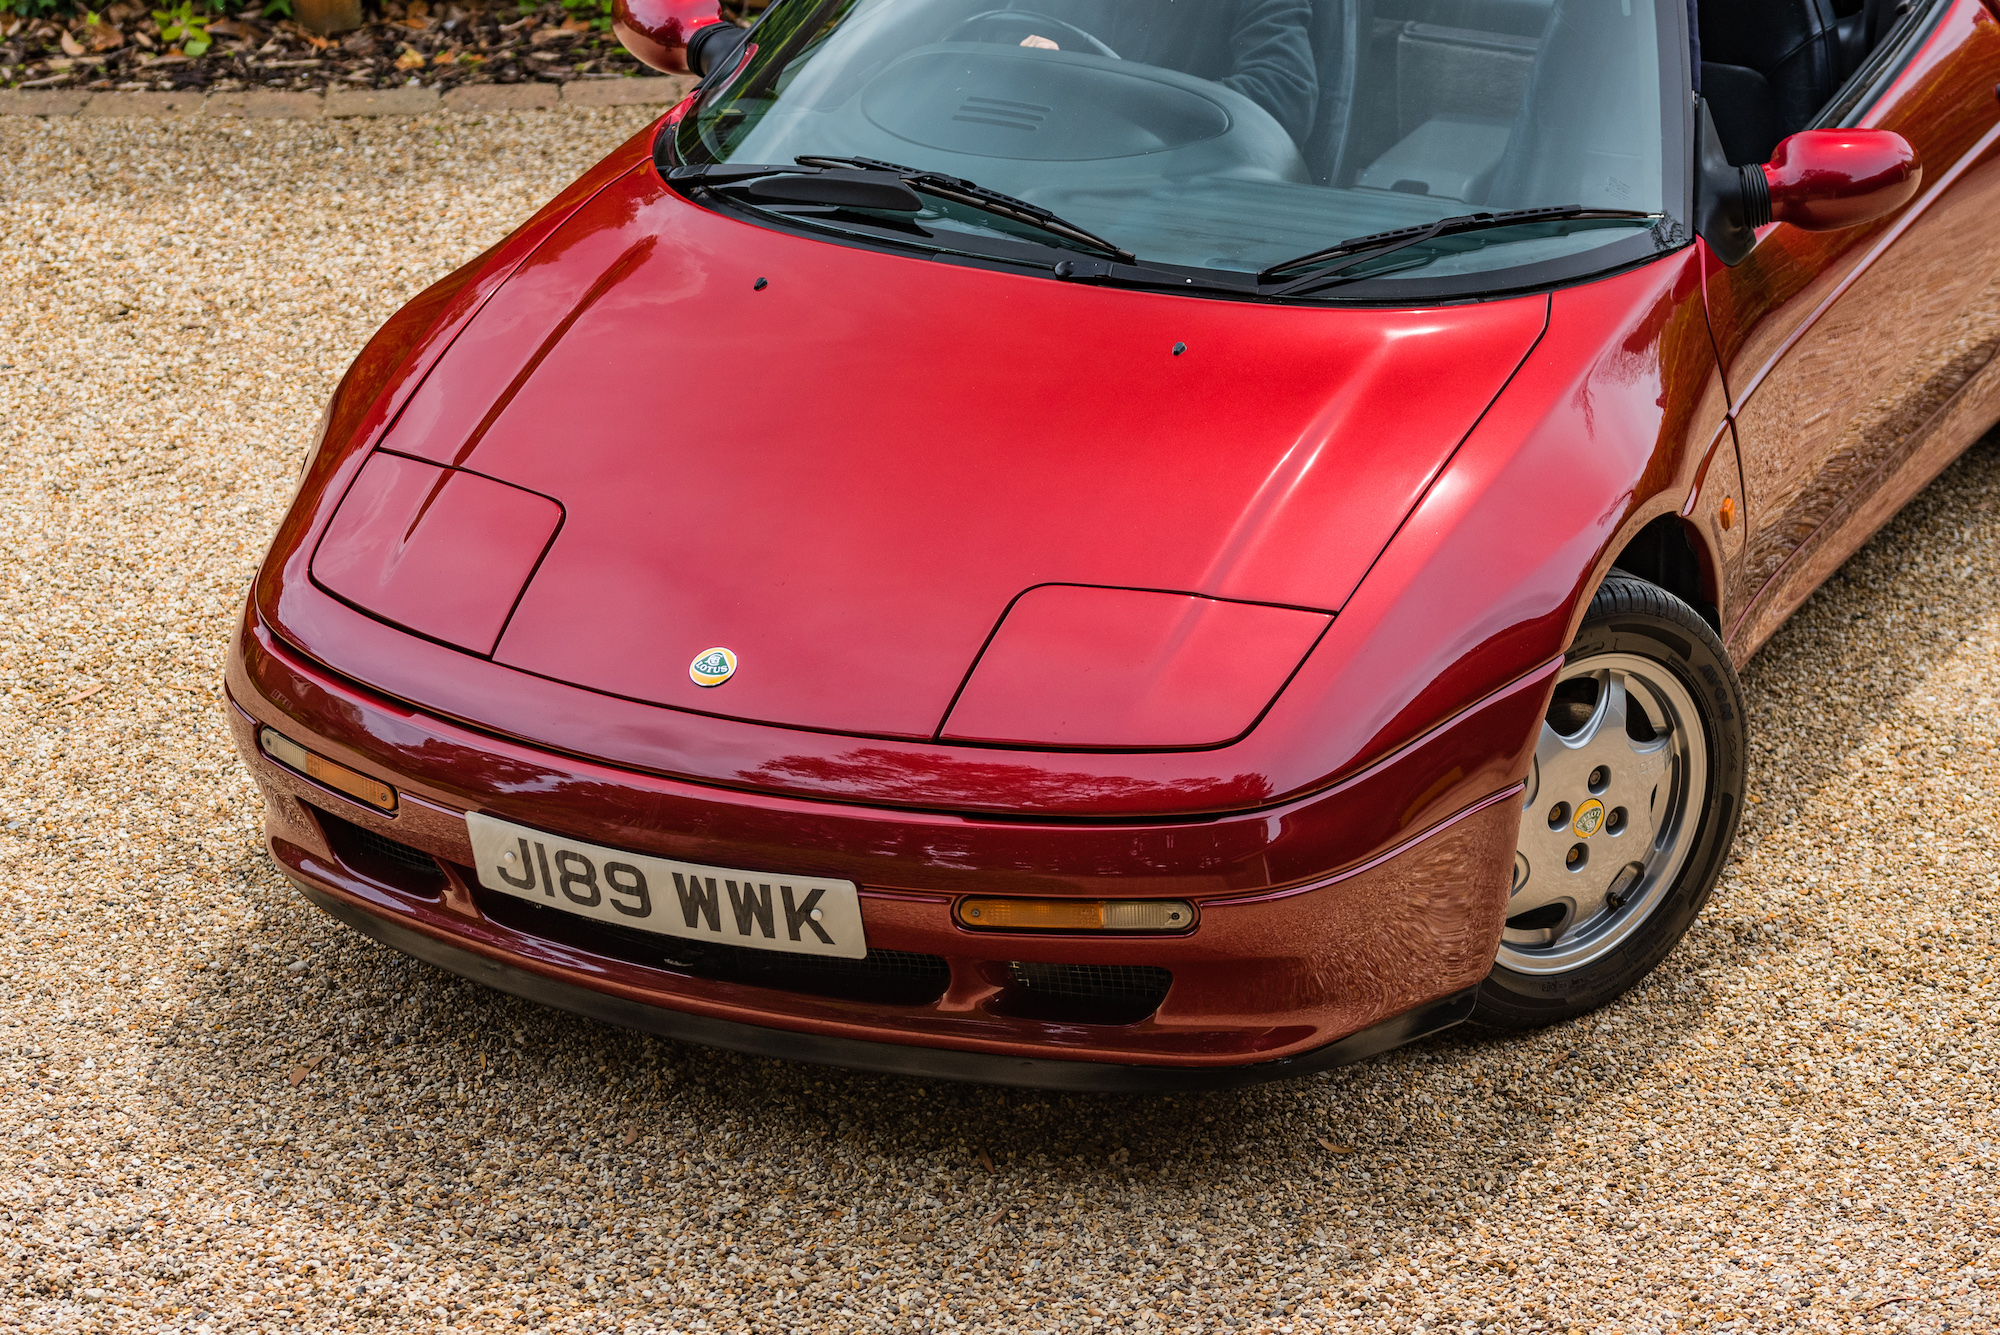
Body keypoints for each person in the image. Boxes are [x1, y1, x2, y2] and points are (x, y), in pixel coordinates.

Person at [1019, 0, 1319, 145]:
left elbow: (1284, 94)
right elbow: (999, 32)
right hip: (1045, 178)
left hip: (1178, 189)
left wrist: (1117, 94)